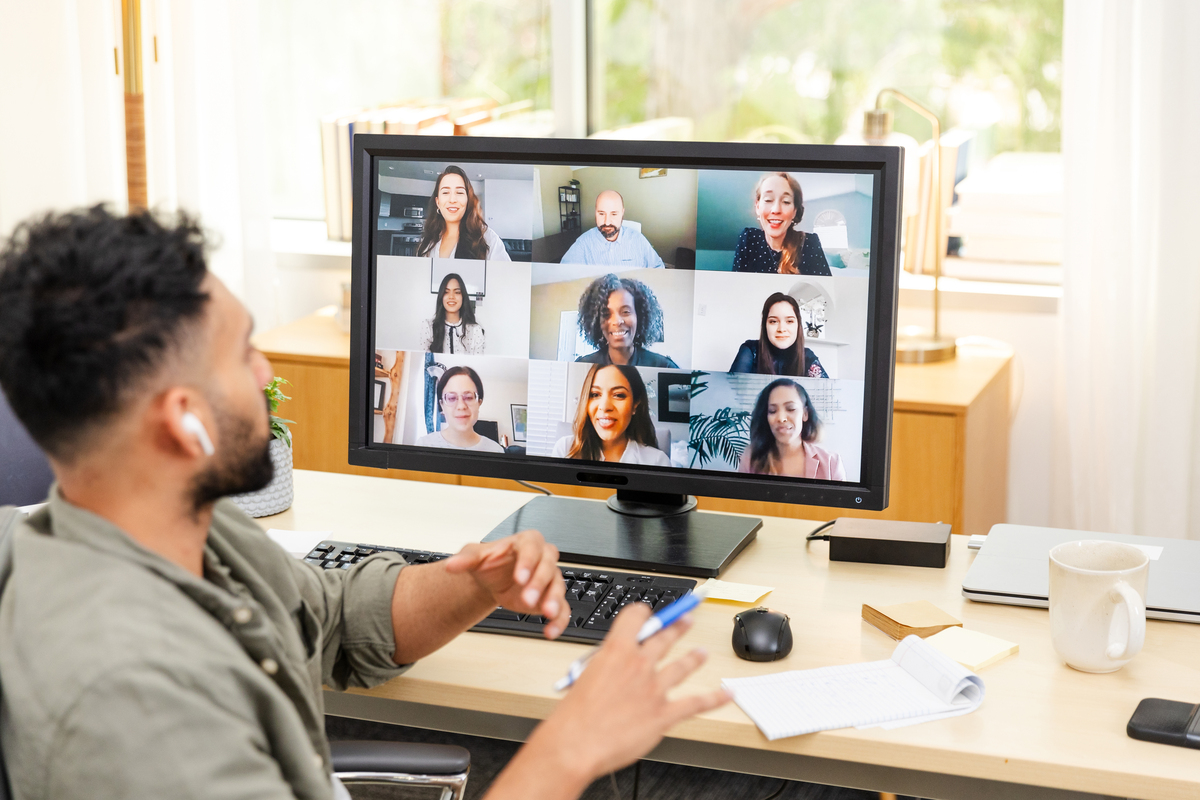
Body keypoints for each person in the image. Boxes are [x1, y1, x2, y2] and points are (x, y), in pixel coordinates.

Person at [0, 206, 727, 800]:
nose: (265, 372)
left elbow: (339, 617)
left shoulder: (187, 527)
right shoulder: (127, 702)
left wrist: (475, 583)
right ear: (182, 421)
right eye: (243, 354)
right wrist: (574, 745)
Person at [551, 364, 670, 466]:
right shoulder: (565, 450)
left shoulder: (657, 461)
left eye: (618, 395)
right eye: (595, 394)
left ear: (635, 404)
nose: (605, 406)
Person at [737, 378, 845, 480]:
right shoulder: (750, 459)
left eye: (791, 409)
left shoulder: (831, 463)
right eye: (772, 411)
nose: (781, 418)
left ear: (805, 414)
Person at [732, 172, 831, 275]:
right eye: (768, 200)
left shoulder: (810, 243)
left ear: (794, 211)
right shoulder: (748, 238)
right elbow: (736, 287)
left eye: (786, 202)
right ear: (757, 206)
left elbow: (824, 289)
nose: (776, 210)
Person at [575, 273, 678, 368]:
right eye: (606, 314)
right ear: (596, 322)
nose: (617, 321)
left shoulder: (664, 366)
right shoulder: (582, 366)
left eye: (625, 312)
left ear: (639, 316)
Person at [416, 165, 511, 261]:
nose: (452, 200)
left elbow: (505, 275)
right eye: (445, 192)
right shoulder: (427, 241)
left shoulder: (488, 239)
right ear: (438, 202)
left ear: (467, 200)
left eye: (459, 193)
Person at [729, 292, 828, 378]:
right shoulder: (750, 350)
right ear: (765, 325)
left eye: (789, 321)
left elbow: (828, 394)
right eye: (773, 321)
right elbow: (731, 391)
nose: (781, 329)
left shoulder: (807, 356)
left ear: (798, 325)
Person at [560, 189, 664, 268]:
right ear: (595, 213)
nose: (607, 222)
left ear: (622, 213)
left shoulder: (638, 240)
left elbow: (658, 268)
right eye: (601, 214)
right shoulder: (583, 243)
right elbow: (563, 274)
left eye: (614, 214)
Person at [416, 365, 505, 452]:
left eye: (469, 397)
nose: (461, 406)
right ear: (442, 405)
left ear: (479, 403)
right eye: (451, 398)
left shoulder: (496, 451)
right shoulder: (424, 445)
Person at [420, 272, 485, 354]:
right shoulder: (428, 327)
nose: (451, 296)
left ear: (463, 296)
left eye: (457, 292)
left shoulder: (475, 330)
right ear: (441, 296)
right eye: (446, 292)